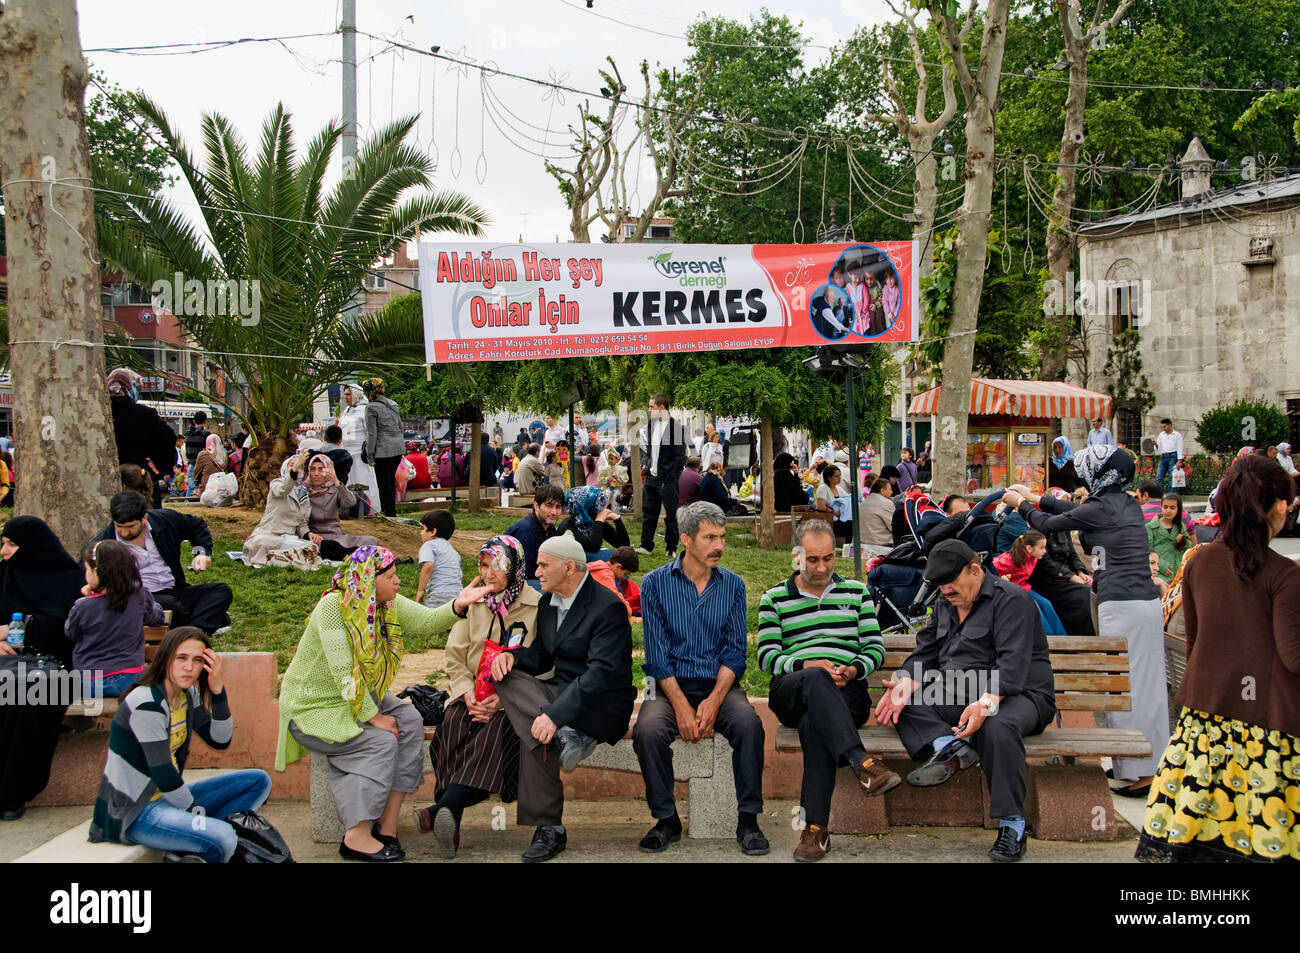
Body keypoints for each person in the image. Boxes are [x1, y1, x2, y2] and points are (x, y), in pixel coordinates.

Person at [1136, 454, 1300, 863]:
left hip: (1202, 730)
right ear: (1271, 507)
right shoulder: (1285, 575)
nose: (1290, 508)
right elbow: (1294, 658)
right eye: (1286, 501)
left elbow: (1196, 642)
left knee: (1197, 842)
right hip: (1268, 734)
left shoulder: (1199, 561)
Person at [277, 547, 489, 861]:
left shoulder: (384, 604)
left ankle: (386, 828)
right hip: (315, 708)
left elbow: (426, 621)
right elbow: (342, 669)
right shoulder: (332, 607)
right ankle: (357, 836)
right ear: (366, 581)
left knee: (409, 721)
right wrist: (372, 716)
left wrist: (458, 604)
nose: (398, 582)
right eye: (389, 577)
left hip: (359, 697)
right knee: (379, 743)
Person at [874, 539, 1056, 862]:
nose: (945, 591)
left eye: (951, 583)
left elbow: (1012, 669)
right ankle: (952, 747)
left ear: (975, 570)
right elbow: (926, 652)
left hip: (1021, 694)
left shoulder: (1011, 601)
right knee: (906, 701)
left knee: (996, 725)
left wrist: (984, 705)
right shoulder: (945, 604)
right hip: (963, 691)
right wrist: (904, 682)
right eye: (940, 585)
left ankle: (1012, 825)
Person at [1005, 444, 1166, 798]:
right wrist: (1036, 496)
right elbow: (1075, 510)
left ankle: (1141, 772)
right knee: (1145, 687)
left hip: (1124, 605)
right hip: (1141, 605)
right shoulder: (1122, 502)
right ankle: (1144, 766)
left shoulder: (1103, 507)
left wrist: (1023, 505)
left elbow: (1047, 524)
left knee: (1126, 688)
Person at [487, 533, 636, 862]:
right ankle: (566, 735)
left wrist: (552, 715)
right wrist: (512, 656)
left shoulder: (608, 607)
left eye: (543, 565)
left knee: (537, 730)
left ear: (569, 567)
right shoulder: (547, 603)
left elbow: (599, 675)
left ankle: (549, 827)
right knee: (504, 676)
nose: (535, 573)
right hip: (562, 691)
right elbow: (543, 656)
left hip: (603, 702)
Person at [758, 520, 898, 861]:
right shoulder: (774, 598)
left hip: (846, 694)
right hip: (793, 690)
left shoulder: (856, 591)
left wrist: (852, 670)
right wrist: (804, 666)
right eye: (812, 560)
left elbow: (874, 648)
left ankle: (815, 831)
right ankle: (860, 761)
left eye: (827, 559)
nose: (821, 568)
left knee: (814, 725)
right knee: (816, 679)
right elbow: (766, 657)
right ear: (796, 557)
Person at [635, 502, 768, 855]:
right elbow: (657, 657)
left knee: (749, 725)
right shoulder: (654, 584)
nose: (719, 545)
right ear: (686, 539)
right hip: (668, 686)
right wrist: (680, 706)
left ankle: (748, 819)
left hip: (718, 684)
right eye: (710, 537)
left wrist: (713, 700)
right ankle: (666, 819)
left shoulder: (734, 586)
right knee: (647, 730)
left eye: (722, 537)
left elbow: (735, 653)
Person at [88, 627, 272, 862]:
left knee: (257, 781)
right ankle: (199, 841)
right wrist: (198, 816)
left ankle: (187, 847)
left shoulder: (187, 696)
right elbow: (164, 774)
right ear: (166, 658)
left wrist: (218, 692)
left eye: (197, 660)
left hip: (168, 799)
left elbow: (220, 739)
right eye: (181, 658)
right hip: (134, 811)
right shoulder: (147, 703)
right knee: (224, 837)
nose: (189, 667)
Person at [414, 536, 541, 858]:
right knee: (454, 723)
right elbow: (455, 658)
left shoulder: (536, 606)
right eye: (483, 565)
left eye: (496, 565)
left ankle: (444, 809)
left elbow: (542, 663)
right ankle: (448, 813)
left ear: (513, 567)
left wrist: (501, 699)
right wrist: (465, 693)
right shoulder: (474, 605)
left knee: (497, 730)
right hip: (472, 693)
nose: (488, 574)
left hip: (512, 699)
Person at [0, 517, 84, 821]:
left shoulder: (67, 580)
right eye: (4, 544)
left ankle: (11, 794)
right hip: (6, 662)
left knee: (26, 699)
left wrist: (16, 629)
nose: (4, 551)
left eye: (11, 544)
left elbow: (65, 631)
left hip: (53, 666)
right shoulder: (4, 576)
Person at [96, 492, 233, 636]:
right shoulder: (105, 543)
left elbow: (196, 525)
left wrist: (201, 553)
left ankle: (191, 633)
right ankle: (202, 625)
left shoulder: (164, 520)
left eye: (130, 526)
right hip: (140, 597)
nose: (124, 532)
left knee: (221, 592)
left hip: (175, 589)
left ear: (144, 518)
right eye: (119, 526)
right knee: (172, 607)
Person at [66, 540, 166, 698]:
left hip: (89, 683)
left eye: (86, 569)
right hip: (129, 680)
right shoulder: (139, 596)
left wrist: (89, 599)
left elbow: (70, 632)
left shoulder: (83, 607)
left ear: (96, 572)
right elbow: (157, 617)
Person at [1026, 488, 1095, 637]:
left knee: (1090, 591)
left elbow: (1072, 554)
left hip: (1062, 577)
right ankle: (1081, 640)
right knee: (1080, 596)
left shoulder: (1062, 525)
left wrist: (1081, 571)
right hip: (1046, 580)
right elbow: (1044, 561)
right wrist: (1071, 576)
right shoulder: (1039, 526)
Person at [107, 368, 178, 508]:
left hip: (109, 484)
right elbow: (169, 439)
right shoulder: (145, 415)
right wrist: (159, 468)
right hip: (142, 483)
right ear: (130, 387)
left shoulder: (100, 413)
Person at [240, 452, 322, 570]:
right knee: (261, 542)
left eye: (299, 467)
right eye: (292, 465)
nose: (297, 468)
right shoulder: (276, 484)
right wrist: (295, 468)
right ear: (284, 468)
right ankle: (282, 558)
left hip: (288, 539)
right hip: (267, 536)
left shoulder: (303, 494)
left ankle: (279, 558)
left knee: (311, 547)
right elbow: (284, 488)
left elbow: (301, 523)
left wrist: (309, 534)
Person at [301, 454, 379, 561]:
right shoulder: (303, 491)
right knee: (326, 547)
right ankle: (356, 555)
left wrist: (337, 482)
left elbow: (350, 502)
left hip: (337, 536)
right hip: (318, 538)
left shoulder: (334, 489)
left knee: (371, 540)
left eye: (321, 469)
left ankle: (354, 555)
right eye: (313, 470)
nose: (316, 474)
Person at [637, 393, 687, 558]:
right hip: (651, 477)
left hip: (668, 480)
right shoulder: (651, 426)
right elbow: (651, 450)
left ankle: (671, 548)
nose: (649, 409)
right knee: (649, 513)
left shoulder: (676, 428)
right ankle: (646, 545)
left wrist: (670, 478)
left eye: (651, 406)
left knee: (671, 515)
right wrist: (648, 465)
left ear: (661, 408)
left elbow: (680, 458)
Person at [992, 531, 1067, 635]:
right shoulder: (1008, 561)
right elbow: (992, 568)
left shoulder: (1033, 558)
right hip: (1011, 591)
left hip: (1023, 587)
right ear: (1029, 548)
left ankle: (1061, 637)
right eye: (1041, 548)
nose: (1044, 551)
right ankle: (1047, 638)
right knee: (1034, 607)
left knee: (1046, 604)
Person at [506, 482, 564, 589]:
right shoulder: (526, 531)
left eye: (558, 507)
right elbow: (526, 570)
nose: (554, 512)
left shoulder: (549, 527)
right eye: (549, 506)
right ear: (536, 506)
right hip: (516, 581)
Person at [361, 378, 404, 517]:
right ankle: (392, 512)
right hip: (397, 448)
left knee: (383, 483)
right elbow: (401, 427)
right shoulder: (393, 404)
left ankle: (388, 513)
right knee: (390, 480)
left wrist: (370, 455)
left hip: (383, 450)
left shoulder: (371, 407)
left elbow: (372, 433)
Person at [557, 486, 630, 562]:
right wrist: (599, 521)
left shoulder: (591, 520)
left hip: (586, 563)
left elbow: (623, 545)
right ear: (585, 505)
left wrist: (617, 519)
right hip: (571, 565)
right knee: (613, 557)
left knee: (622, 557)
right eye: (596, 503)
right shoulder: (568, 526)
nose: (600, 507)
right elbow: (593, 547)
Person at [338, 383, 381, 510]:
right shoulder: (347, 411)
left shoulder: (364, 410)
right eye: (345, 395)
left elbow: (370, 432)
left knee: (363, 479)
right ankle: (350, 508)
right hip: (346, 452)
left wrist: (370, 453)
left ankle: (368, 508)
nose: (346, 397)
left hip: (360, 454)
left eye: (349, 394)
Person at [416, 510, 463, 609]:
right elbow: (459, 576)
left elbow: (428, 565)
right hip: (458, 596)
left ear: (433, 532)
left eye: (423, 529)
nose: (421, 533)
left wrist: (420, 590)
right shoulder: (454, 552)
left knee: (426, 620)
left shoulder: (429, 545)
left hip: (438, 595)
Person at [1146, 492, 1189, 581]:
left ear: (1178, 509)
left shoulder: (1180, 526)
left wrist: (1183, 541)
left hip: (1178, 573)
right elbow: (1147, 551)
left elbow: (1189, 548)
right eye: (1165, 507)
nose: (1168, 510)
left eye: (1172, 508)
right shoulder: (1150, 527)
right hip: (1159, 574)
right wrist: (1162, 566)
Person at [813, 463, 853, 541]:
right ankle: (847, 548)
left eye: (839, 476)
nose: (839, 478)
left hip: (840, 519)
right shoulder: (823, 488)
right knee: (850, 525)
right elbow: (820, 506)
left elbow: (847, 500)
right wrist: (834, 512)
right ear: (829, 478)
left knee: (853, 523)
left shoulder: (838, 489)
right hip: (829, 520)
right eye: (836, 476)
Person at [183, 411, 213, 498]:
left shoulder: (188, 434)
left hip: (191, 465)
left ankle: (187, 505)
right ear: (205, 421)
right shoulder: (206, 435)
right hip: (203, 466)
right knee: (203, 488)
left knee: (191, 488)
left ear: (194, 421)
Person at [191, 433, 230, 499]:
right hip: (222, 488)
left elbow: (196, 474)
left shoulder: (203, 454)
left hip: (206, 489)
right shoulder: (225, 455)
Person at [858, 478, 895, 547]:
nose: (892, 492)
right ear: (882, 491)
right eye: (890, 489)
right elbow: (894, 526)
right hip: (881, 544)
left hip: (862, 543)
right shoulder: (886, 503)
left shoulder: (864, 502)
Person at [608, 546, 641, 617]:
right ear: (618, 567)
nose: (624, 577)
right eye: (625, 574)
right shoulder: (606, 578)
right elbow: (621, 607)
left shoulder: (596, 565)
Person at [1154, 418, 1185, 492]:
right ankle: (1160, 494)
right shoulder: (1161, 435)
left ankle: (1171, 494)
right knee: (1159, 476)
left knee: (1172, 477)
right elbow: (1158, 448)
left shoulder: (1177, 435)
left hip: (1173, 456)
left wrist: (1179, 460)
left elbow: (1180, 447)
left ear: (1170, 425)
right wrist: (1155, 445)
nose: (1163, 428)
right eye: (1162, 427)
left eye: (1165, 426)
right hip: (1164, 456)